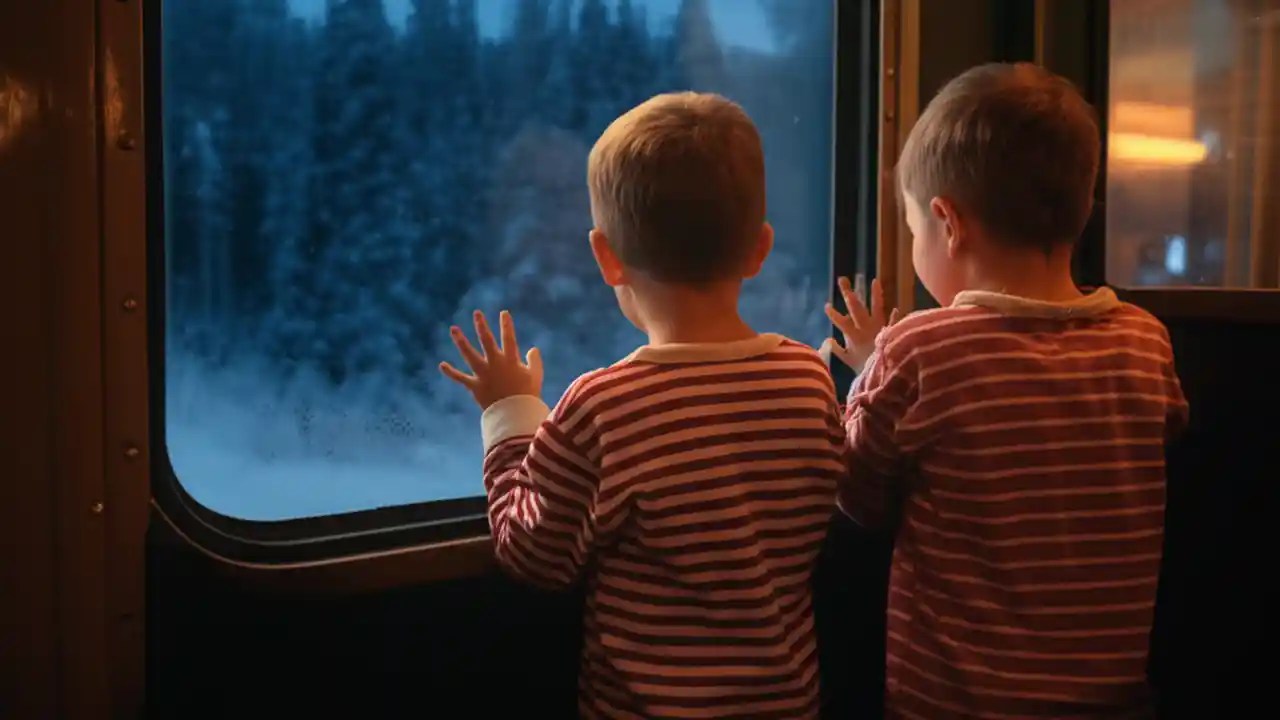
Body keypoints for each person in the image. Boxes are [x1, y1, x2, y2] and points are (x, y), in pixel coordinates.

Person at [440, 92, 843, 719]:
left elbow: (533, 554)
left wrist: (511, 412)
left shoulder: (605, 407)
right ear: (759, 248)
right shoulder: (807, 379)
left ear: (606, 258)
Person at [824, 62, 1190, 718]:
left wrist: (875, 370)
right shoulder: (1143, 342)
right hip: (1109, 701)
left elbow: (859, 498)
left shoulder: (919, 352)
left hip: (959, 703)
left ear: (948, 223)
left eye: (913, 229)